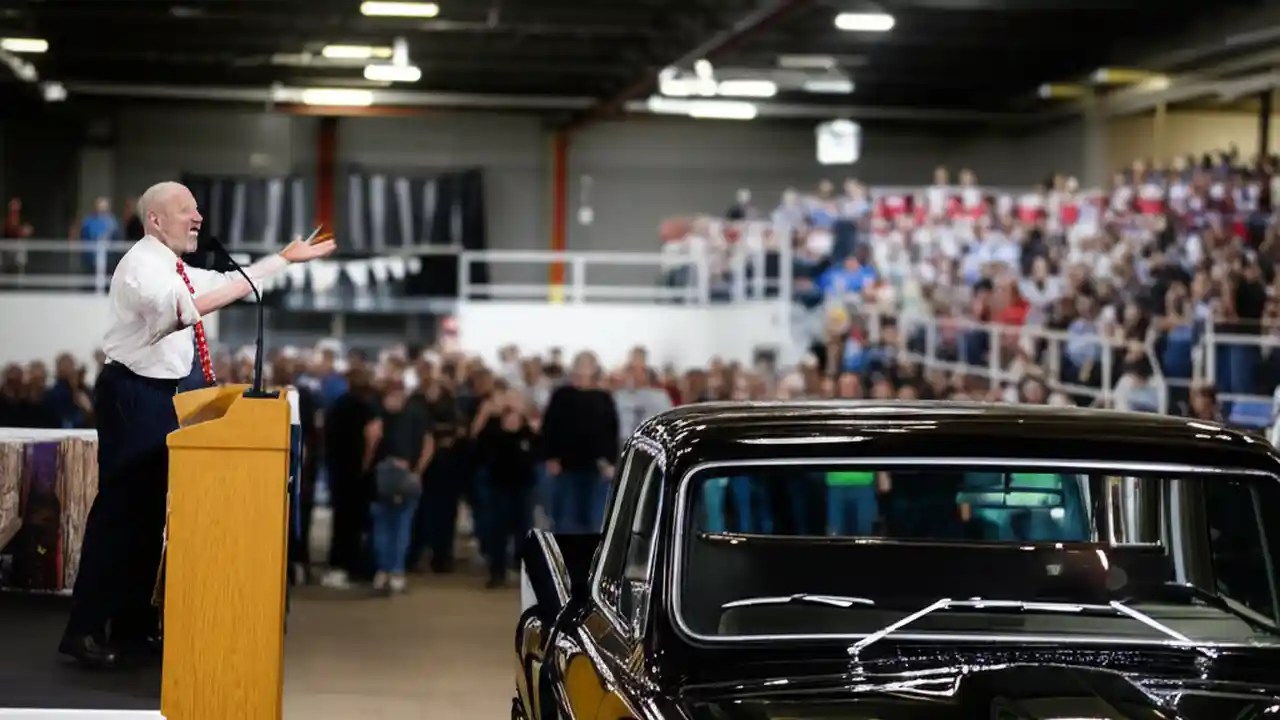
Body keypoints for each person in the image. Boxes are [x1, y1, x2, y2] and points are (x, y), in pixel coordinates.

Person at [60, 181, 336, 669]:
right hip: (134, 397)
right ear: (155, 220)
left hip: (161, 398)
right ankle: (83, 629)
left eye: (196, 209)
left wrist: (284, 260)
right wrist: (248, 282)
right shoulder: (141, 268)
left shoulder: (174, 267)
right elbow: (185, 310)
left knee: (148, 521)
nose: (198, 217)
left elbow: (219, 283)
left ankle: (130, 626)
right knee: (121, 517)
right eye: (186, 210)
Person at [367, 380, 433, 595]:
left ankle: (389, 571)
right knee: (393, 526)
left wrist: (417, 472)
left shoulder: (383, 414)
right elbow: (428, 444)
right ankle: (391, 571)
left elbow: (427, 444)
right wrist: (417, 471)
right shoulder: (412, 414)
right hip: (396, 477)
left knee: (391, 526)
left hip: (391, 476)